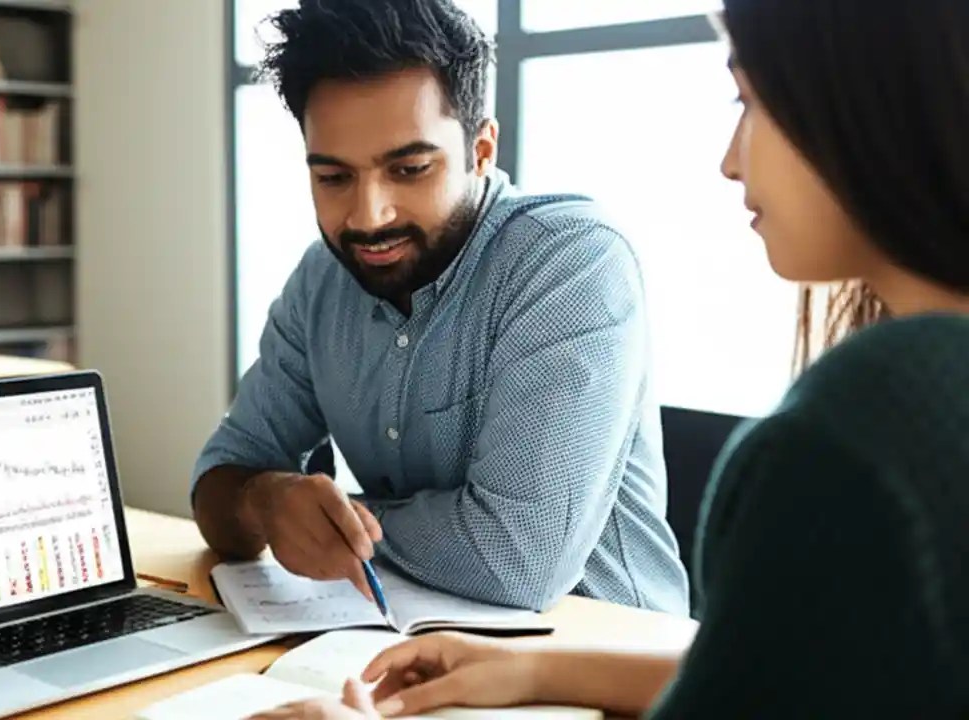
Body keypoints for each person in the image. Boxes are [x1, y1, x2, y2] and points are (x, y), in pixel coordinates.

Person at [249, 0, 969, 717]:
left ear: (871, 104)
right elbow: (798, 669)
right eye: (334, 176)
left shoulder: (856, 427)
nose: (726, 159)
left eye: (749, 99)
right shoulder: (909, 401)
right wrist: (528, 671)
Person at [192, 0, 688, 615]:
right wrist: (264, 500)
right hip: (399, 646)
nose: (368, 216)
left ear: (481, 150)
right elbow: (219, 476)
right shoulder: (320, 281)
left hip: (600, 663)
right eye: (334, 178)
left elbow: (517, 561)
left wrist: (333, 521)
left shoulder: (570, 261)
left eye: (410, 169)